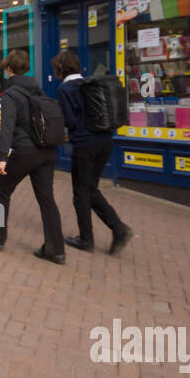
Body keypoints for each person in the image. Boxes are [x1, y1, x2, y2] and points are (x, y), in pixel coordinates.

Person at [0, 49, 66, 265]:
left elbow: (7, 125)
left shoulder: (10, 94)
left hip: (25, 152)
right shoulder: (37, 90)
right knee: (47, 199)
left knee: (2, 190)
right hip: (47, 152)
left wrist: (2, 157)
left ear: (8, 69)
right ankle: (56, 250)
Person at [52, 50, 133, 255]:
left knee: (81, 192)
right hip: (105, 141)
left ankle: (89, 238)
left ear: (61, 68)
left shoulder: (65, 89)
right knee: (90, 189)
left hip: (85, 145)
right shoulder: (90, 84)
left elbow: (70, 120)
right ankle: (116, 229)